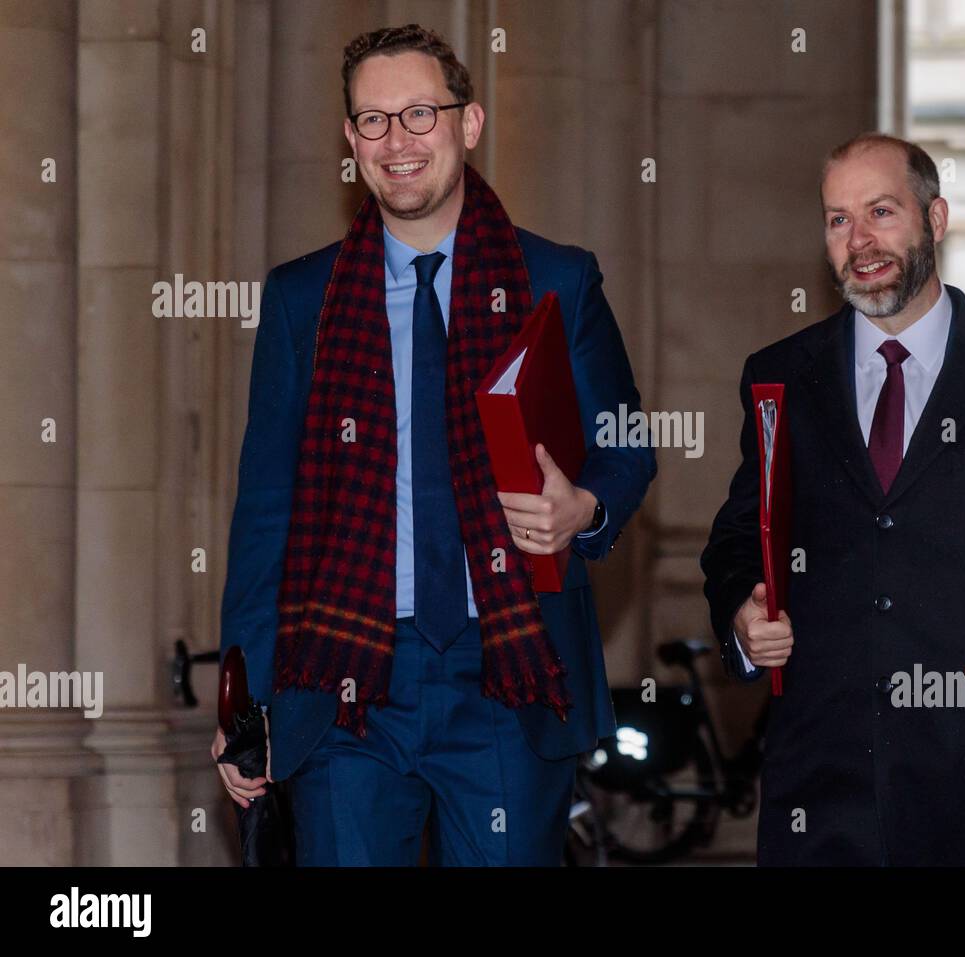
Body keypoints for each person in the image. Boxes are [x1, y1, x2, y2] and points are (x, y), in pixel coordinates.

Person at [213, 23, 655, 865]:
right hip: (343, 679)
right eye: (372, 121)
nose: (397, 140)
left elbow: (627, 442)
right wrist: (249, 702)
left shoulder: (556, 280)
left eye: (420, 113)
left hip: (510, 673)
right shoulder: (302, 300)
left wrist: (585, 507)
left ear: (469, 123)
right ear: (350, 140)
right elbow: (266, 506)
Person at [700, 132, 965, 866]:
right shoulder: (779, 377)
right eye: (839, 220)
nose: (859, 240)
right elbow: (738, 538)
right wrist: (743, 615)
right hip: (826, 798)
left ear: (935, 219)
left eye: (881, 211)